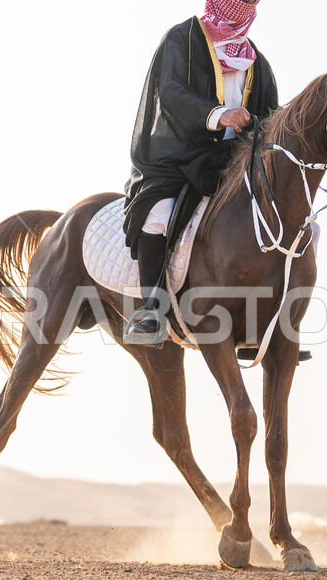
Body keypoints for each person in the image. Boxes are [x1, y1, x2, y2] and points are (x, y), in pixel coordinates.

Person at [122, 0, 279, 344]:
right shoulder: (182, 39)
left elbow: (271, 115)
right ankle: (151, 309)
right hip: (181, 155)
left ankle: (275, 325)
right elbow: (171, 93)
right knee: (158, 215)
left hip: (235, 162)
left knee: (288, 220)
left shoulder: (255, 59)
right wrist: (220, 115)